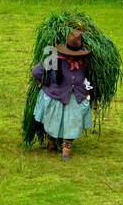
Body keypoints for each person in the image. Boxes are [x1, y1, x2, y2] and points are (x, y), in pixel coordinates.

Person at [30, 28, 94, 161]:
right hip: (57, 96)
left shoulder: (83, 62)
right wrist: (47, 82)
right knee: (55, 121)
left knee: (70, 121)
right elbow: (37, 71)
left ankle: (65, 150)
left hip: (75, 97)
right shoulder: (55, 59)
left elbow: (90, 78)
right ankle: (52, 144)